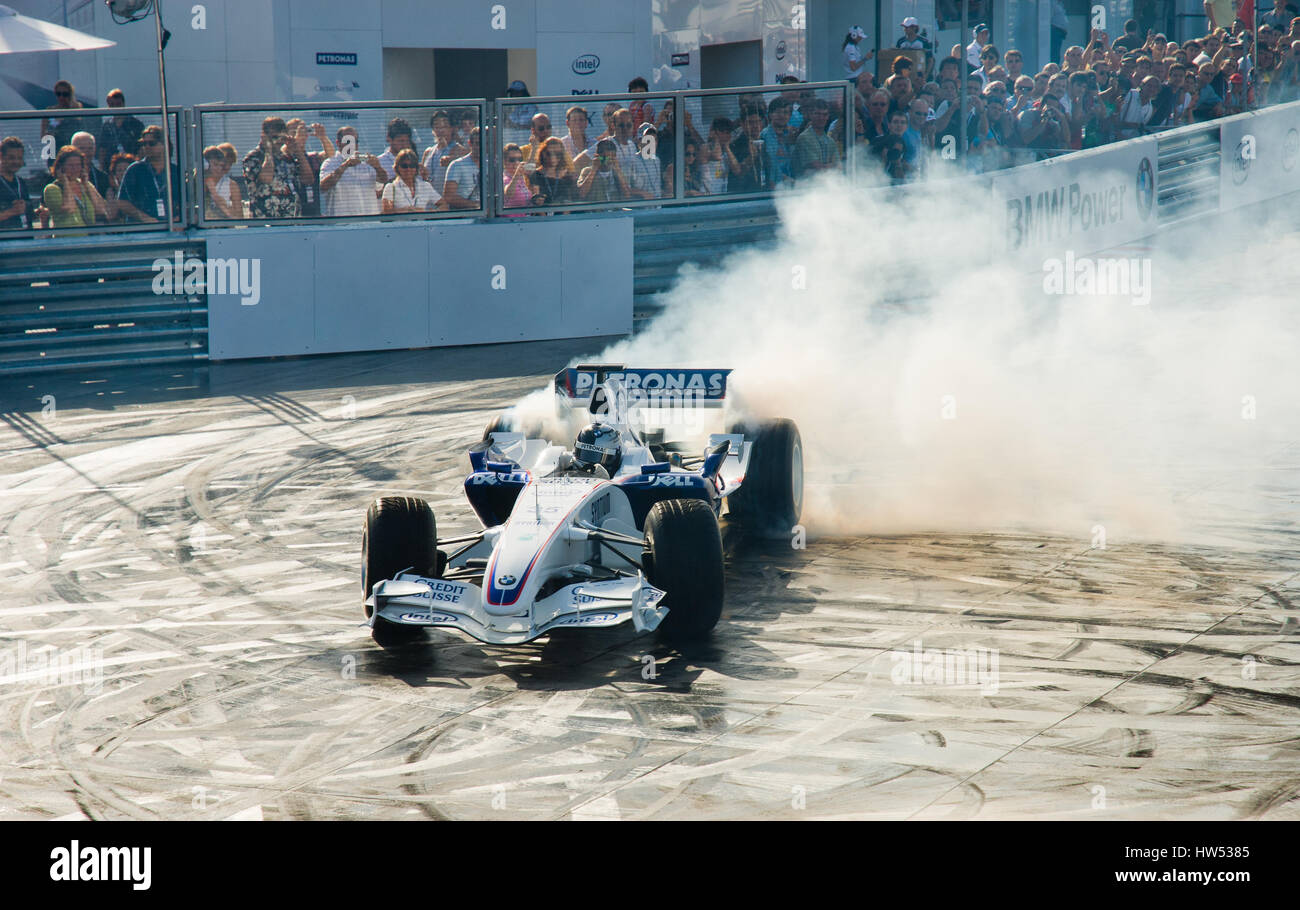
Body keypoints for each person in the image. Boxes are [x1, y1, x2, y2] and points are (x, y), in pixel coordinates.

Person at [241, 117, 311, 220]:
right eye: (274, 137)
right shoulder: (254, 157)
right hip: (266, 221)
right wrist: (268, 151)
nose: (278, 141)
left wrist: (298, 151)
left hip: (291, 220)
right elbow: (266, 179)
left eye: (282, 137)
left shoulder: (286, 157)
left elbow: (308, 179)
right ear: (264, 136)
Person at [319, 125, 386, 217]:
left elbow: (382, 183)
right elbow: (323, 187)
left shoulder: (367, 163)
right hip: (342, 224)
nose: (351, 145)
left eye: (354, 141)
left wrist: (378, 167)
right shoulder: (330, 163)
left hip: (369, 224)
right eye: (348, 141)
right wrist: (345, 165)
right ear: (338, 143)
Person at [119, 125, 181, 222]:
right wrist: (144, 217)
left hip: (171, 228)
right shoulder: (135, 170)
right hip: (143, 230)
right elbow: (122, 202)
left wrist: (179, 219)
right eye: (144, 144)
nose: (147, 147)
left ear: (164, 145)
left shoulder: (175, 171)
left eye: (151, 143)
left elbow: (186, 202)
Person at [43, 146, 107, 230]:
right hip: (67, 239)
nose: (75, 169)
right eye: (70, 165)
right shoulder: (52, 189)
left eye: (78, 165)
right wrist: (66, 182)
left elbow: (101, 209)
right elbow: (70, 208)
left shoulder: (85, 185)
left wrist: (86, 184)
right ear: (61, 167)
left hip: (89, 238)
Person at [0, 136, 44, 230]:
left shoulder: (21, 182)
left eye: (19, 158)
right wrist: (11, 212)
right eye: (11, 158)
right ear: (1, 156)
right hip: (5, 242)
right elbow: (15, 212)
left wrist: (38, 213)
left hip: (26, 239)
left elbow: (27, 214)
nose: (16, 161)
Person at [381, 148, 441, 214]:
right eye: (404, 166)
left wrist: (428, 213)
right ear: (397, 168)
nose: (408, 169)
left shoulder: (425, 186)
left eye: (412, 166)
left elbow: (443, 205)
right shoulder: (391, 188)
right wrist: (407, 210)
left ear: (416, 168)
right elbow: (386, 212)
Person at [96, 89, 144, 170]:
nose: (115, 107)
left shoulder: (135, 123)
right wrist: (101, 166)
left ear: (123, 104)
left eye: (118, 104)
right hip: (111, 168)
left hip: (131, 166)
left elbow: (142, 148)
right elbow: (102, 148)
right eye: (112, 105)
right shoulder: (107, 126)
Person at [793, 98, 838, 178]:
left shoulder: (830, 141)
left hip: (827, 185)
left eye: (824, 114)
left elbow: (838, 166)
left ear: (828, 116)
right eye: (817, 114)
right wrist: (831, 166)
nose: (821, 118)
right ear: (810, 115)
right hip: (806, 187)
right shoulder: (805, 138)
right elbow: (816, 167)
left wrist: (830, 166)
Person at [760, 97, 799, 186]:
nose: (782, 116)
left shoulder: (790, 134)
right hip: (775, 187)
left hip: (791, 184)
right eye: (778, 112)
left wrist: (792, 142)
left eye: (785, 112)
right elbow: (771, 166)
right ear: (770, 115)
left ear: (790, 116)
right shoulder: (766, 135)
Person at [529, 137, 578, 206]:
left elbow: (571, 201)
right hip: (544, 214)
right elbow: (537, 202)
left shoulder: (567, 175)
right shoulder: (536, 175)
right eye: (549, 153)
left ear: (562, 155)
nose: (553, 157)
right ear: (542, 154)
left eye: (557, 154)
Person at [442, 127, 482, 210]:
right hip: (463, 218)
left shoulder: (491, 165)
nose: (481, 147)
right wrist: (476, 205)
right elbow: (449, 196)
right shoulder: (457, 165)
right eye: (478, 143)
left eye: (485, 143)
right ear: (470, 143)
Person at [41, 81, 86, 152]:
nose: (61, 97)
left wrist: (72, 106)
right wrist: (56, 123)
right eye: (58, 94)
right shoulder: (50, 111)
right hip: (55, 149)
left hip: (73, 149)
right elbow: (44, 136)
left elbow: (81, 128)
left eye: (65, 94)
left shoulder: (76, 109)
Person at [202, 145, 242, 219]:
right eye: (225, 162)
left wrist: (226, 209)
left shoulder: (231, 185)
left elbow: (239, 216)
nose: (227, 167)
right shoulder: (200, 181)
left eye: (230, 164)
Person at [70, 132, 108, 197]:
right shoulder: (62, 175)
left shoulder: (103, 178)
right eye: (82, 148)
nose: (86, 152)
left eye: (90, 148)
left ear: (95, 149)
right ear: (72, 149)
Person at [103, 151, 136, 223]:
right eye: (119, 170)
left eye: (126, 169)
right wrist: (118, 190)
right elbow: (111, 215)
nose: (123, 173)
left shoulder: (139, 189)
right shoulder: (111, 192)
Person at [501, 143, 534, 209]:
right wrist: (517, 175)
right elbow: (508, 193)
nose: (517, 162)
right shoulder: (503, 178)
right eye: (512, 160)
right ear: (504, 162)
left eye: (520, 159)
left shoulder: (523, 178)